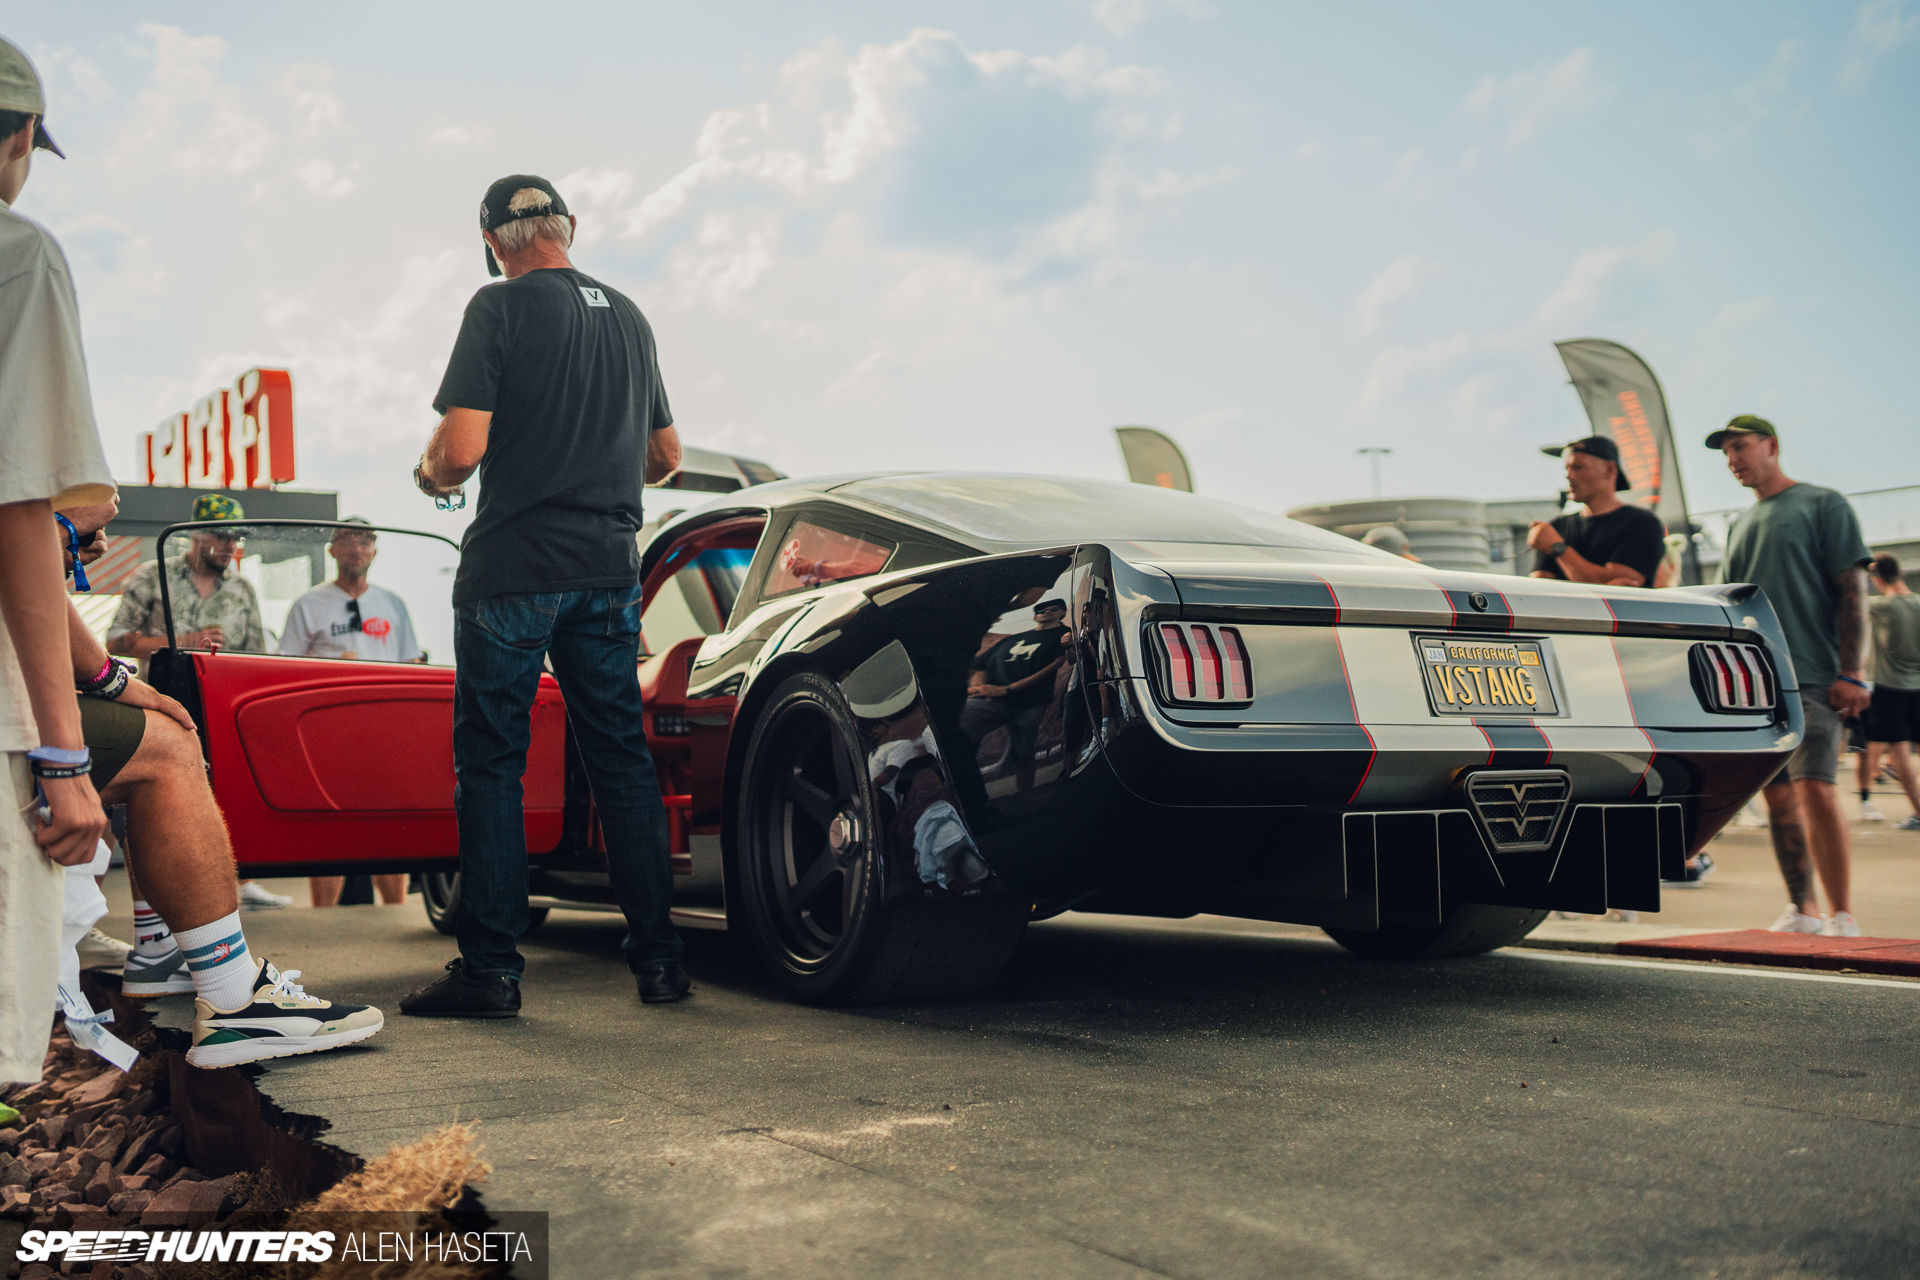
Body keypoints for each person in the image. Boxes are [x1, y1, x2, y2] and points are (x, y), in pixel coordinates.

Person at [0, 51, 378, 1070]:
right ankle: (230, 993)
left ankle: (171, 951)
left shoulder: (251, 589)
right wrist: (69, 745)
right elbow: (18, 528)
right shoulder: (18, 256)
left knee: (163, 733)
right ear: (21, 137)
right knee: (164, 747)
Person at [401, 174, 687, 1017]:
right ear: (571, 228)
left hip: (515, 569)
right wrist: (593, 458)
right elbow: (665, 455)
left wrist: (426, 474)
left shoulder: (498, 309)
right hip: (607, 570)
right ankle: (661, 963)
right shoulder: (630, 316)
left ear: (492, 243)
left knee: (493, 765)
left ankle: (490, 971)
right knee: (620, 764)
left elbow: (458, 451)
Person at [1712, 415, 1874, 937]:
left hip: (1815, 675)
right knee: (1777, 797)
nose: (1733, 459)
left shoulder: (1823, 504)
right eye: (1726, 453)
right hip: (1755, 684)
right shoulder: (1738, 523)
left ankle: (1843, 914)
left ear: (1772, 446)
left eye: (1741, 446)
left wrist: (1853, 671)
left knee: (1816, 788)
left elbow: (1853, 591)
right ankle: (1803, 910)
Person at [108, 493, 267, 659]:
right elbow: (113, 643)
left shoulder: (242, 589)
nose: (231, 546)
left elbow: (259, 658)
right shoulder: (152, 577)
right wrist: (184, 643)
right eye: (221, 537)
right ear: (195, 533)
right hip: (161, 685)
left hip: (222, 685)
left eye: (236, 538)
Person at [960, 597, 1071, 791]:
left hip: (1030, 703)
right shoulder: (1012, 639)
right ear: (1035, 616)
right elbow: (979, 665)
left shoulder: (1062, 635)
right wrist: (979, 688)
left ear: (1063, 613)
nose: (1046, 612)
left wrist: (1007, 689)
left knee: (1024, 754)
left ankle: (1025, 798)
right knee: (959, 730)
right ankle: (965, 788)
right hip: (993, 700)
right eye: (1041, 610)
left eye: (1053, 609)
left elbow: (1056, 664)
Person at [1528, 436, 1668, 588]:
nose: (1568, 476)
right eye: (1567, 468)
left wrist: (1558, 548)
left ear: (1609, 469)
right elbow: (1540, 591)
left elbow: (1625, 592)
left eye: (1578, 467)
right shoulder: (1556, 526)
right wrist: (1603, 583)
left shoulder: (1642, 523)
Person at [278, 519, 423, 663]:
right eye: (347, 543)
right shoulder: (307, 604)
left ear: (374, 553)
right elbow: (288, 662)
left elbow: (409, 661)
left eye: (364, 543)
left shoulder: (393, 604)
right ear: (332, 551)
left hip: (383, 686)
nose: (357, 550)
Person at [1858, 553, 1920, 831]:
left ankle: (1919, 812)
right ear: (1902, 573)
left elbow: (1846, 601)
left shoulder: (1880, 606)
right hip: (1918, 686)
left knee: (1900, 753)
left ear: (1877, 578)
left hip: (1889, 687)